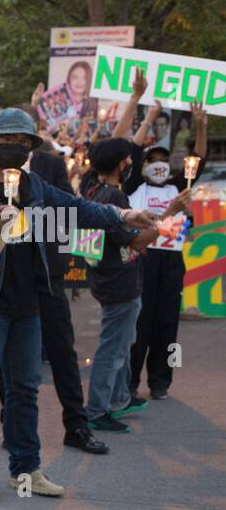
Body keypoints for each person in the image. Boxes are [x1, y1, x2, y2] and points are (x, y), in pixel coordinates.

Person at [0, 109, 154, 503]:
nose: (16, 150)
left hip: (29, 303)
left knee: (25, 389)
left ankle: (27, 468)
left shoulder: (34, 186)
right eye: (9, 141)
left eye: (24, 144)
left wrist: (123, 214)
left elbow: (78, 208)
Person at [24, 120, 110, 455]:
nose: (15, 142)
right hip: (6, 279)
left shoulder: (51, 166)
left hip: (48, 272)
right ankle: (12, 426)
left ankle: (76, 425)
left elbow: (69, 209)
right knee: (10, 357)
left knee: (62, 350)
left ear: (34, 139)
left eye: (22, 136)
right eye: (7, 137)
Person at [128, 101, 207, 400]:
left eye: (164, 159)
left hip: (173, 261)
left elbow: (197, 159)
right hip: (143, 258)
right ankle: (130, 380)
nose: (160, 163)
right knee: (140, 321)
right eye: (154, 160)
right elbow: (133, 153)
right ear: (145, 166)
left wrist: (200, 124)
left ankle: (162, 380)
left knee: (168, 322)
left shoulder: (178, 187)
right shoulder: (134, 187)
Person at [83, 137, 160, 433]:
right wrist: (161, 226)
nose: (131, 163)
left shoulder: (93, 187)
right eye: (127, 159)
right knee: (113, 347)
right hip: (119, 282)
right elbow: (132, 240)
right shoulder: (114, 199)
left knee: (123, 341)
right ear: (119, 164)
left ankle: (119, 397)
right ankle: (97, 410)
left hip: (107, 278)